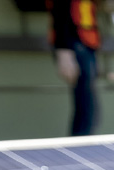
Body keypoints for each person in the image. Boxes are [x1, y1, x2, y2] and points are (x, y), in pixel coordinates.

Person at [48, 0, 101, 136]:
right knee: (86, 106)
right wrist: (63, 48)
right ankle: (80, 147)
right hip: (75, 43)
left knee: (89, 106)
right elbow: (60, 8)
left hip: (87, 42)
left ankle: (83, 146)